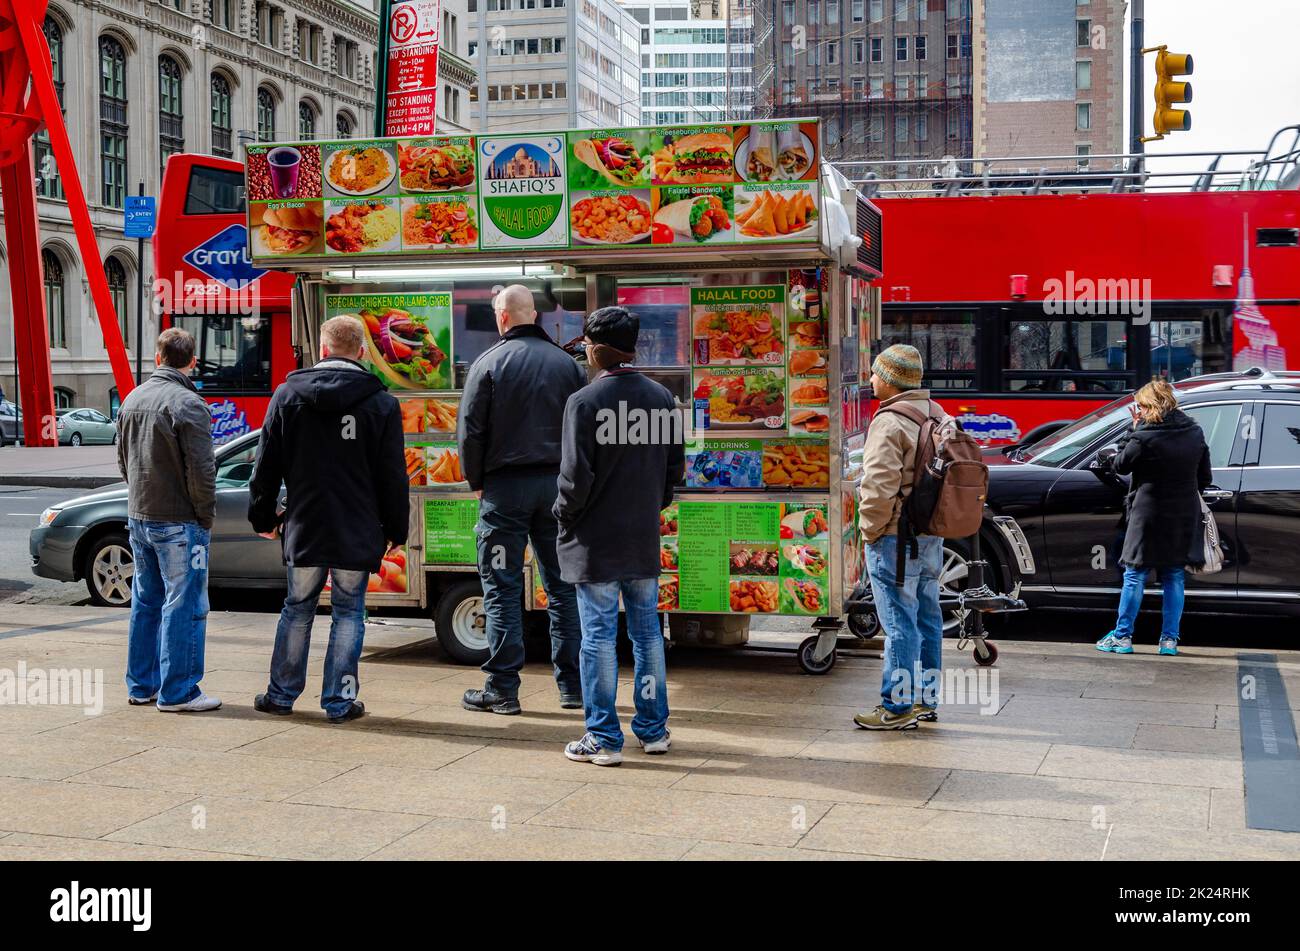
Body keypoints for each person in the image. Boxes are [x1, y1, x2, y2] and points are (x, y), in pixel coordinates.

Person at [247, 315, 408, 723]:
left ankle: (281, 695)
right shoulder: (382, 403)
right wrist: (396, 529)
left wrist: (263, 517)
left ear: (322, 349)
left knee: (297, 609)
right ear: (360, 352)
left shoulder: (287, 396)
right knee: (350, 612)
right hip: (358, 527)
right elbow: (393, 474)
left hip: (305, 524)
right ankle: (339, 701)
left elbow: (265, 466)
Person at [554, 306, 684, 766]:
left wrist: (563, 517)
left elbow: (574, 479)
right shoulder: (663, 399)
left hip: (595, 540)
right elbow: (675, 471)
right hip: (641, 535)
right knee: (648, 634)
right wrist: (648, 507)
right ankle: (652, 729)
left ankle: (604, 738)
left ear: (596, 348)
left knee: (598, 637)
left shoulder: (584, 402)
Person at [457, 284, 587, 715]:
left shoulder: (488, 363)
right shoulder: (568, 365)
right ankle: (572, 687)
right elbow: (581, 431)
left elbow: (471, 430)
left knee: (501, 588)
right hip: (557, 492)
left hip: (504, 491)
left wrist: (476, 479)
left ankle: (503, 689)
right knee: (563, 588)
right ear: (534, 315)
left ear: (502, 317)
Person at [115, 327, 220, 712]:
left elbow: (124, 463)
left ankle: (142, 685)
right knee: (185, 603)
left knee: (146, 600)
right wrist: (205, 516)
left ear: (158, 358)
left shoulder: (132, 399)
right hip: (180, 521)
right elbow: (203, 472)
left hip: (140, 515)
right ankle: (180, 691)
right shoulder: (189, 404)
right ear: (192, 361)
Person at [855, 344, 947, 731]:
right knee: (928, 616)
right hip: (931, 535)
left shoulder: (889, 422)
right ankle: (925, 700)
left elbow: (878, 485)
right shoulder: (936, 412)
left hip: (894, 537)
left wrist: (869, 530)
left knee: (898, 622)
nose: (871, 379)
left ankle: (896, 706)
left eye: (876, 373)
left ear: (890, 380)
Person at [1096, 379, 1211, 657]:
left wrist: (1132, 430)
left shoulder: (1143, 436)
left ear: (1151, 406)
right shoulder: (1194, 432)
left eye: (1141, 406)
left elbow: (1121, 464)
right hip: (1182, 513)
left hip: (1147, 514)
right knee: (1174, 576)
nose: (1139, 411)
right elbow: (1204, 478)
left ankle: (1122, 638)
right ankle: (1169, 641)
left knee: (1134, 574)